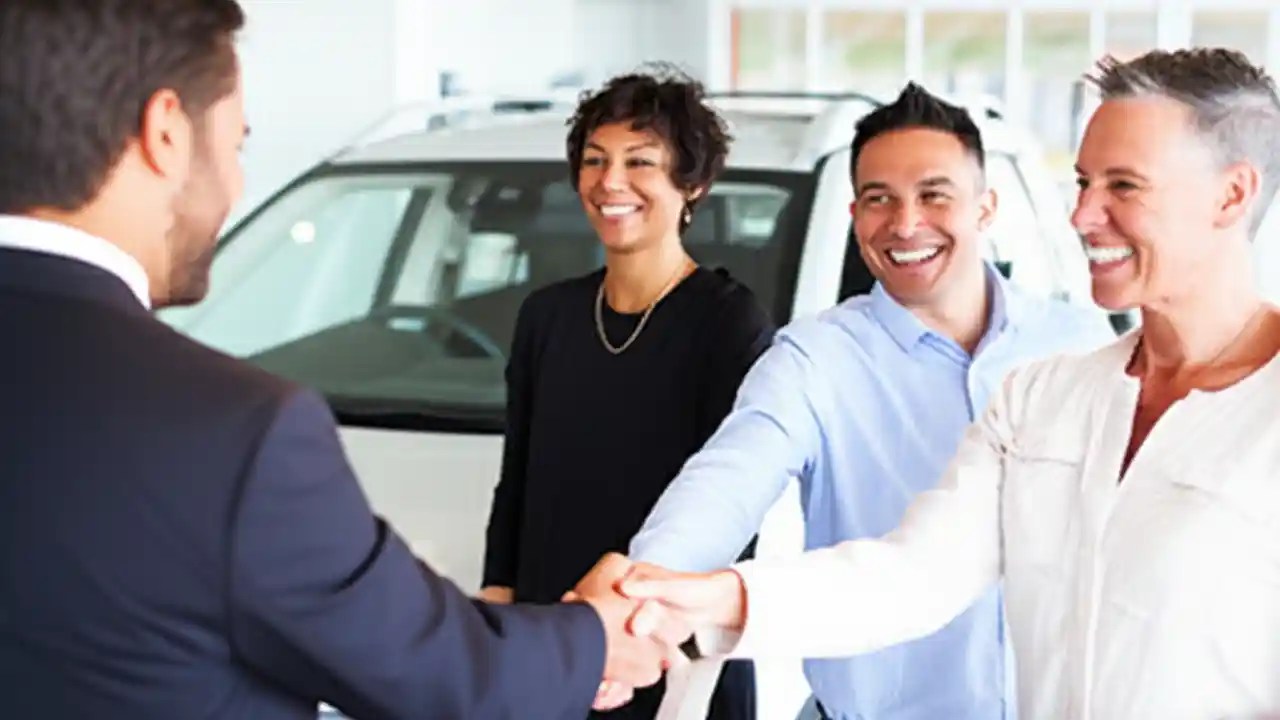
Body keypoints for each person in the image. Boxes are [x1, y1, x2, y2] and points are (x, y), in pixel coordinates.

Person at [0, 2, 674, 718]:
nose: (233, 184)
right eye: (237, 147)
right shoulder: (232, 434)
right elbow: (439, 673)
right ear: (165, 133)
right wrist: (594, 638)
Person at [618, 48, 1280, 720]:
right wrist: (679, 596)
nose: (1081, 215)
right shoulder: (1041, 397)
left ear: (1232, 194)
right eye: (1083, 183)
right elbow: (911, 577)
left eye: (1124, 186)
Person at [478, 66, 773, 719]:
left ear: (692, 184)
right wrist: (497, 610)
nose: (610, 182)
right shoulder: (547, 316)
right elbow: (517, 479)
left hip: (670, 651)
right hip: (551, 640)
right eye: (594, 160)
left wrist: (640, 635)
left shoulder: (727, 322)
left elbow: (732, 509)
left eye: (640, 161)